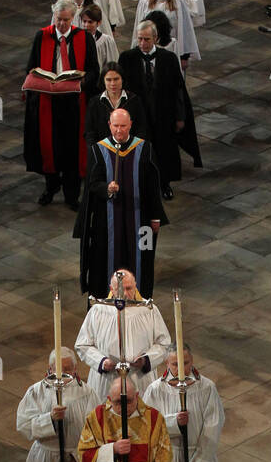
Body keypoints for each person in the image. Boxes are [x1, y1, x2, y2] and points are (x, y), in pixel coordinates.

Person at [75, 107, 167, 297]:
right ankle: (105, 302)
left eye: (123, 126)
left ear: (130, 125)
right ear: (109, 125)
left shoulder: (145, 148)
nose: (119, 130)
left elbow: (153, 186)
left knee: (144, 258)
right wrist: (107, 189)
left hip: (141, 221)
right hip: (107, 221)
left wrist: (156, 217)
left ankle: (141, 299)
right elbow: (92, 184)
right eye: (115, 126)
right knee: (106, 260)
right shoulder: (98, 150)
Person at [23, 0, 99, 211]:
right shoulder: (42, 36)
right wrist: (40, 78)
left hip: (74, 104)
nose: (62, 24)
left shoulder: (84, 38)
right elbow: (30, 67)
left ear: (72, 19)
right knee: (50, 147)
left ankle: (72, 195)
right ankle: (51, 186)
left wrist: (81, 82)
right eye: (58, 19)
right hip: (48, 102)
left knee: (72, 150)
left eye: (66, 20)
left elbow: (94, 70)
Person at [117, 21, 201, 199]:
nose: (142, 43)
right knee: (138, 152)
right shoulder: (127, 58)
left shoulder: (168, 58)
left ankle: (164, 184)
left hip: (163, 114)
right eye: (139, 39)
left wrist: (180, 117)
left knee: (164, 151)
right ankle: (139, 186)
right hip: (138, 116)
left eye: (146, 39)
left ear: (155, 38)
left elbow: (178, 90)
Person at [75, 268, 171, 407]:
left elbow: (164, 343)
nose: (124, 294)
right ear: (111, 289)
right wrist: (101, 362)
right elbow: (82, 345)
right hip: (107, 379)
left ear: (135, 285)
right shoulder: (98, 310)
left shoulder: (148, 310)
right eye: (119, 289)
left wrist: (146, 360)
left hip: (139, 377)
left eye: (128, 288)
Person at [84, 61, 146, 147]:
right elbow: (89, 132)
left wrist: (135, 149)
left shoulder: (134, 100)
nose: (113, 83)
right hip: (102, 152)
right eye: (108, 80)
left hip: (130, 150)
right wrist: (96, 152)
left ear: (122, 79)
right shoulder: (94, 102)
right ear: (103, 81)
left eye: (116, 79)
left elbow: (142, 129)